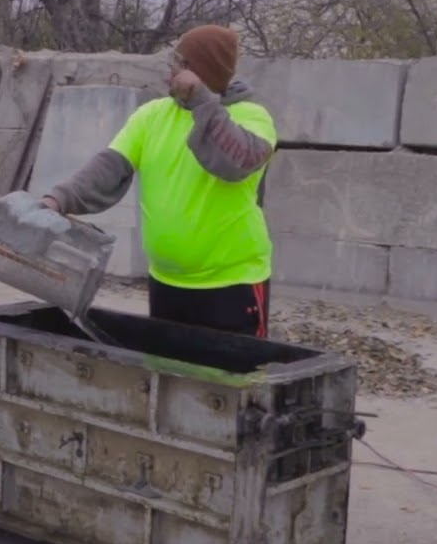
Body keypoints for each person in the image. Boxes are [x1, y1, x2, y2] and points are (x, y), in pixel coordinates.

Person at [40, 24, 278, 337]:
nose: (170, 73)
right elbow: (110, 166)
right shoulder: (153, 115)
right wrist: (57, 200)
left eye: (178, 65)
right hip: (167, 285)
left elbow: (235, 163)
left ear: (199, 71)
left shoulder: (251, 117)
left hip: (233, 287)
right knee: (170, 380)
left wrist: (204, 103)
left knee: (232, 383)